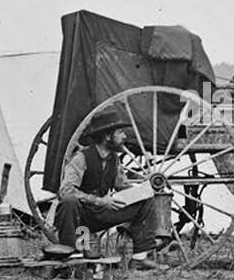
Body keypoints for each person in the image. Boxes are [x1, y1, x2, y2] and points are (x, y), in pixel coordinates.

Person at [51, 105, 158, 256]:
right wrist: (99, 201)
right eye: (120, 133)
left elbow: (122, 186)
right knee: (69, 201)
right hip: (81, 214)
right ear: (108, 136)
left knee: (146, 200)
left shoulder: (114, 159)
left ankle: (140, 258)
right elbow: (65, 190)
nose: (125, 137)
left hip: (102, 213)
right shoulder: (81, 158)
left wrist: (143, 187)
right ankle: (69, 255)